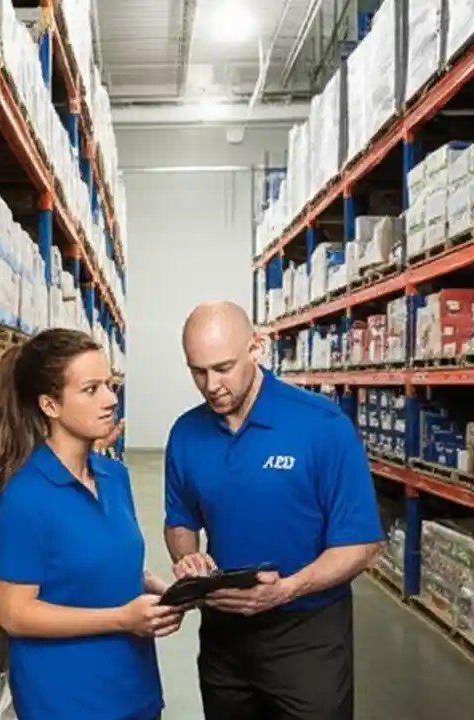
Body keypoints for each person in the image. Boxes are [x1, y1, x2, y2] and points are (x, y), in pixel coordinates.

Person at [164, 301, 383, 720]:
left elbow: (361, 544)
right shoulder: (186, 434)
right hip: (223, 634)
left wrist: (287, 589)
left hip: (306, 633)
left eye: (223, 367)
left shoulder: (322, 426)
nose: (211, 385)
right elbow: (179, 520)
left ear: (256, 348)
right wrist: (186, 556)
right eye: (198, 371)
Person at [0, 328, 181, 720]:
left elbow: (108, 559)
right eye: (91, 389)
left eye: (109, 385)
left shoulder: (115, 477)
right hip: (68, 700)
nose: (111, 399)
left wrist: (169, 592)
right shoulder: (25, 499)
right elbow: (15, 614)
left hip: (135, 689)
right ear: (50, 405)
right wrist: (122, 618)